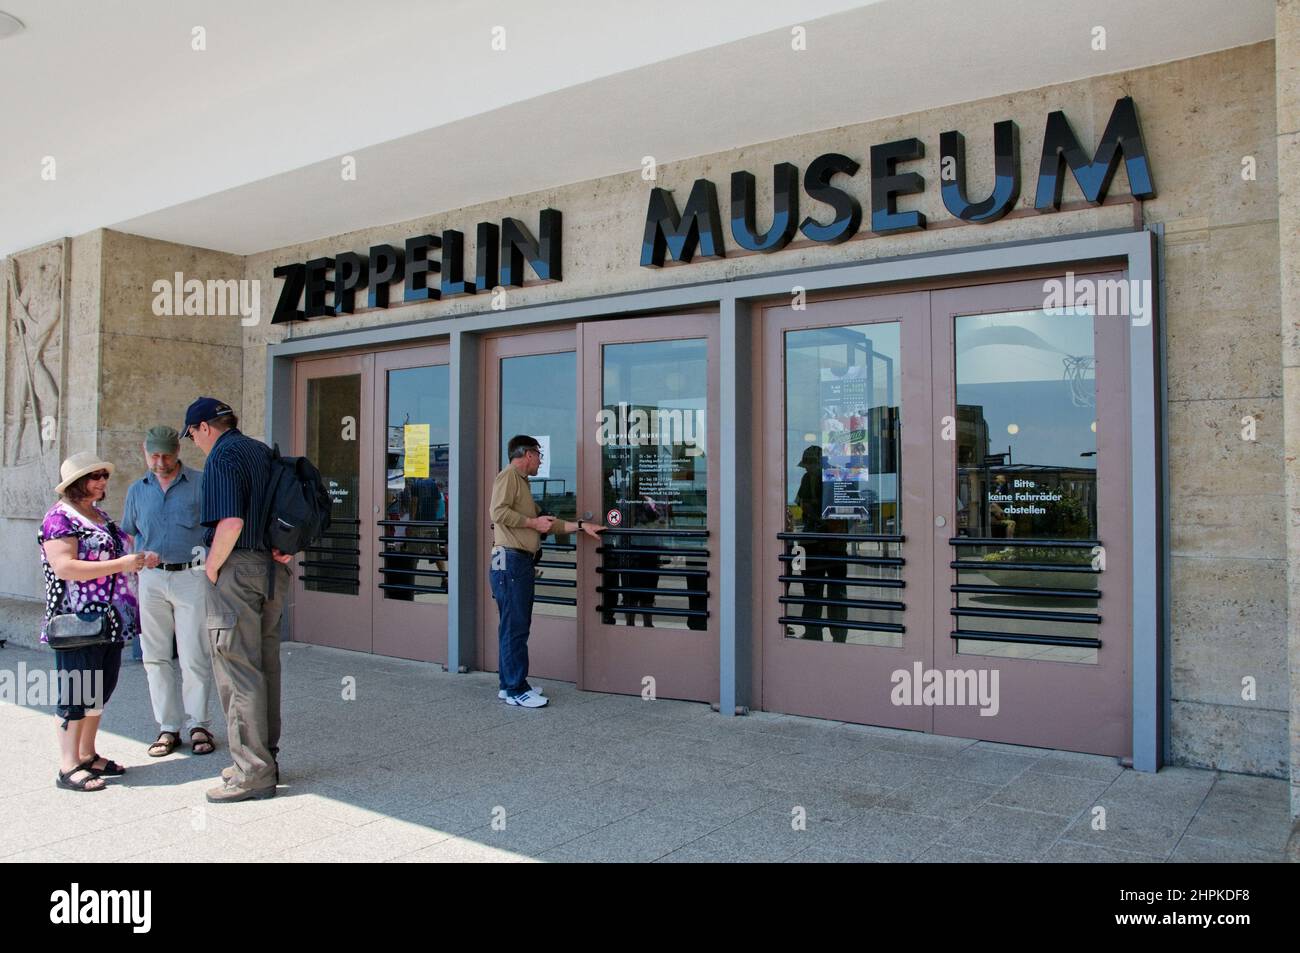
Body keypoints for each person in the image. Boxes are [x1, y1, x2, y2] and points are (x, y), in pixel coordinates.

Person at [183, 397, 293, 803]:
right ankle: (267, 761)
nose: (195, 443)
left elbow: (230, 521)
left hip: (237, 568)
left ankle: (252, 773)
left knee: (236, 670)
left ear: (204, 428)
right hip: (271, 569)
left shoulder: (222, 457)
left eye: (192, 435)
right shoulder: (262, 451)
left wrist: (211, 567)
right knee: (265, 666)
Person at [39, 452, 157, 791]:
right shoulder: (60, 519)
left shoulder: (98, 515)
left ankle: (87, 754)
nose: (102, 482)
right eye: (94, 477)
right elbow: (65, 566)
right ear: (76, 484)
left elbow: (119, 552)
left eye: (103, 476)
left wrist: (140, 558)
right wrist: (122, 564)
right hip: (78, 620)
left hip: (110, 620)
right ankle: (67, 765)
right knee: (77, 690)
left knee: (99, 690)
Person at [120, 426, 216, 759]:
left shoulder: (201, 483)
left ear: (178, 453)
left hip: (191, 575)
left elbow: (215, 528)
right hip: (151, 580)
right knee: (155, 656)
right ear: (145, 452)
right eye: (154, 456)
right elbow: (130, 534)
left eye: (167, 456)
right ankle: (168, 726)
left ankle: (199, 723)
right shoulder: (137, 490)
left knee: (194, 653)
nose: (160, 462)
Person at [490, 434, 603, 707]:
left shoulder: (522, 484)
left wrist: (580, 526)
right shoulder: (508, 477)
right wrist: (530, 522)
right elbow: (498, 512)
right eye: (539, 455)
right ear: (528, 454)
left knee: (512, 626)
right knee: (515, 627)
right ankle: (517, 689)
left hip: (514, 562)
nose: (541, 461)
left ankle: (509, 685)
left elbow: (547, 523)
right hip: (510, 561)